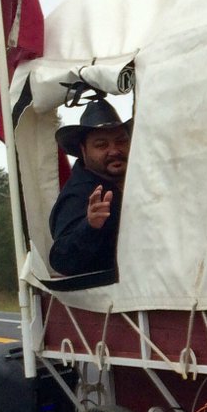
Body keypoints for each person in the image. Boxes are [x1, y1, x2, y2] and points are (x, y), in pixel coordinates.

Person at [48, 98, 131, 279]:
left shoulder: (141, 181)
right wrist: (90, 226)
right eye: (101, 145)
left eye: (121, 141)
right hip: (112, 303)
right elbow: (61, 260)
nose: (114, 151)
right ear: (83, 151)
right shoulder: (78, 195)